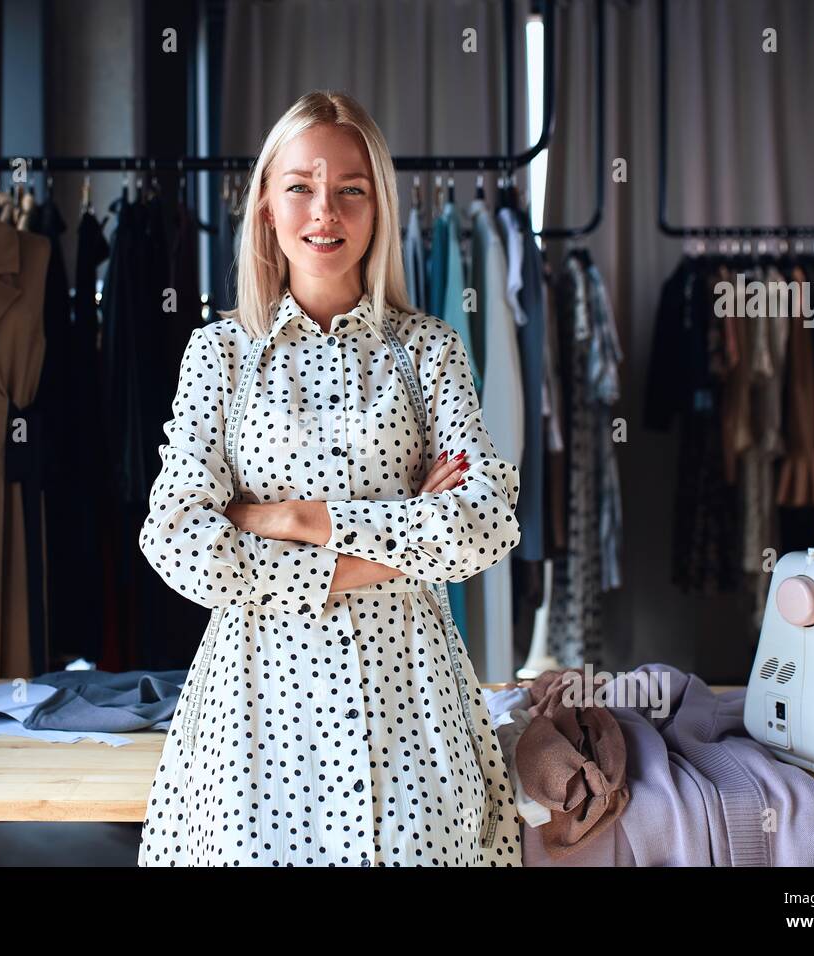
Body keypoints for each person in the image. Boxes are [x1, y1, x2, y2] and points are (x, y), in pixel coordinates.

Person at [136, 90, 523, 865]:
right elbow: (176, 536)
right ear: (267, 209)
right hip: (255, 712)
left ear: (378, 207)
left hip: (410, 699)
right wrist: (394, 540)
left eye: (351, 188)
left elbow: (486, 518)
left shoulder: (428, 351)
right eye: (301, 187)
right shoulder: (221, 355)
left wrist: (288, 517)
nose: (326, 211)